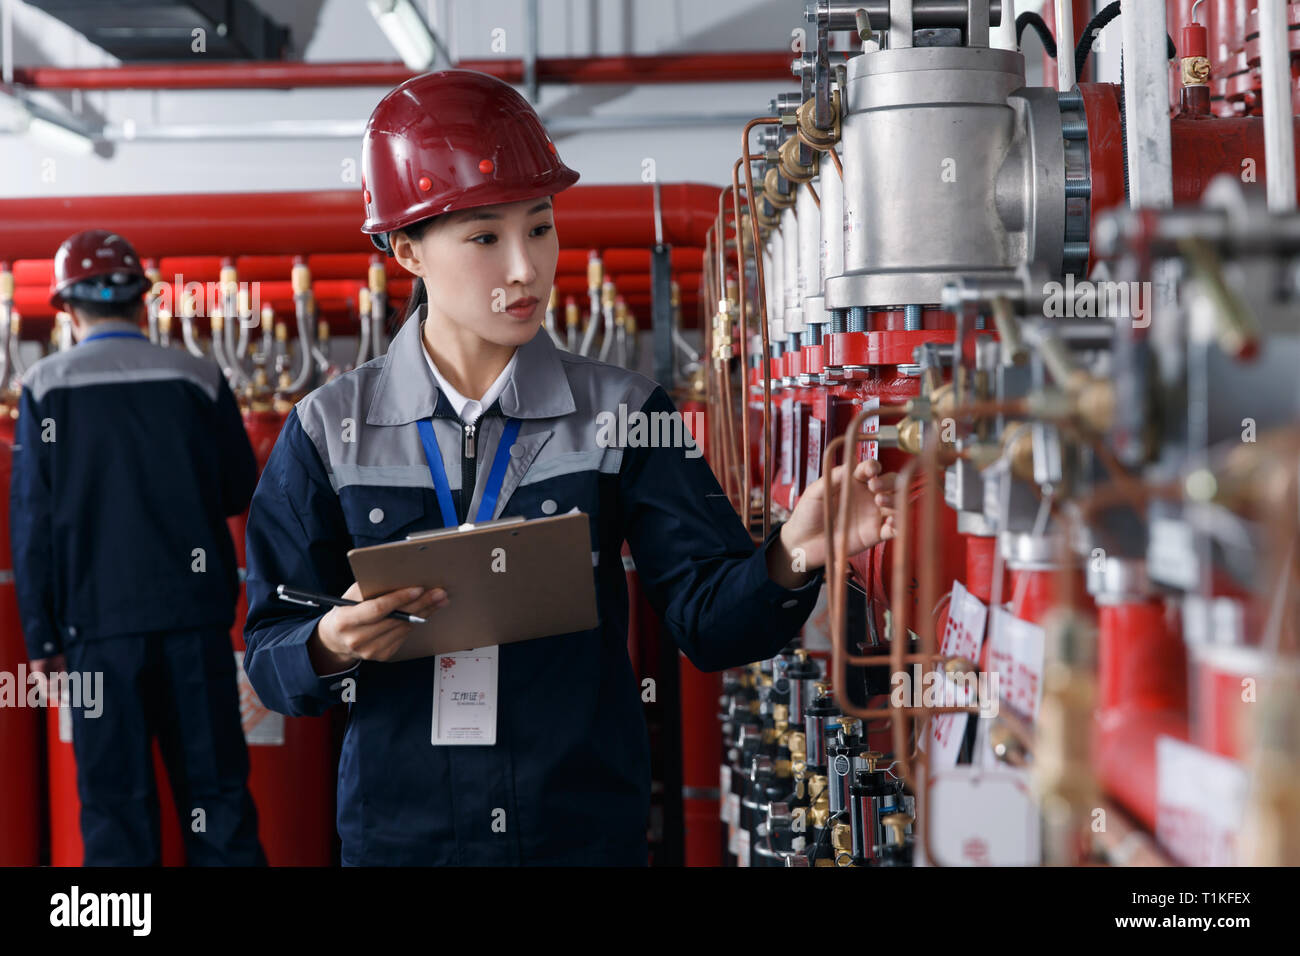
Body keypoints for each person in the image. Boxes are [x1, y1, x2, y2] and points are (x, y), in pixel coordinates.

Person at [241, 70, 896, 866]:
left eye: (540, 227)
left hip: (579, 835)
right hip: (403, 840)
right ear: (406, 249)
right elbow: (269, 658)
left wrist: (793, 556)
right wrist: (329, 642)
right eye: (485, 237)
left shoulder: (626, 413)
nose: (525, 268)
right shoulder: (327, 431)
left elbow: (709, 624)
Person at [9, 229, 265, 866]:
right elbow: (239, 491)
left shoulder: (44, 386)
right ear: (142, 302)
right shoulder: (199, 377)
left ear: (69, 310)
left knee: (114, 810)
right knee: (218, 803)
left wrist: (40, 643)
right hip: (196, 630)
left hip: (96, 633)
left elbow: (33, 526)